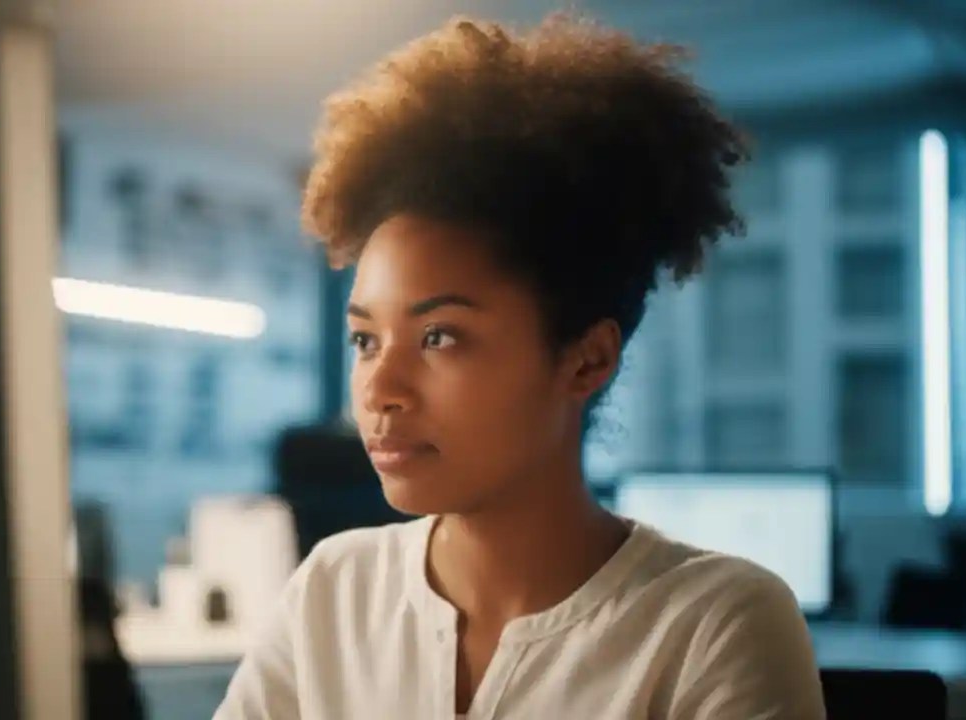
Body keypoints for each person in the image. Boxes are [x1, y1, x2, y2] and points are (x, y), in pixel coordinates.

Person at [215, 13, 825, 720]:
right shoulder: (334, 589)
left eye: (440, 336)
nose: (379, 392)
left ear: (585, 359)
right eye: (365, 341)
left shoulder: (711, 623)